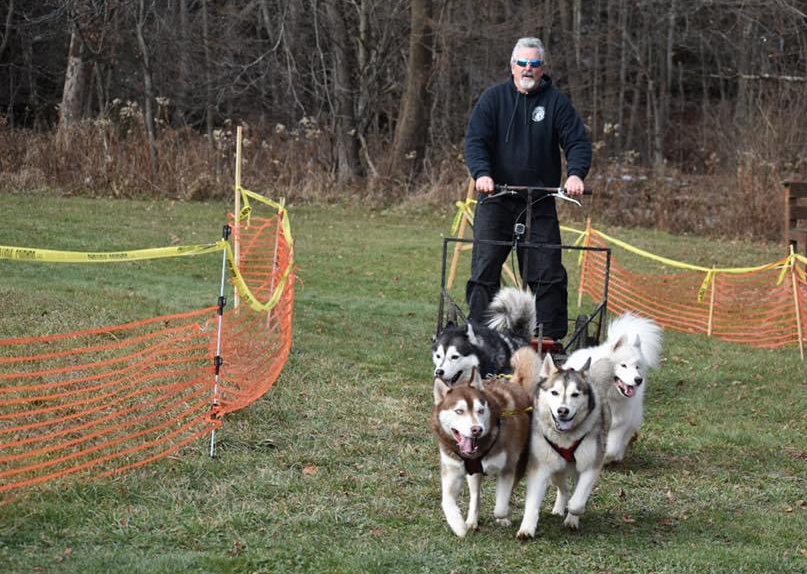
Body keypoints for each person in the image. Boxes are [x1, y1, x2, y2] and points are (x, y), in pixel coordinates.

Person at [464, 36, 592, 340]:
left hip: (539, 201)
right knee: (485, 269)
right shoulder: (493, 99)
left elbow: (577, 142)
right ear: (512, 66)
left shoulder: (556, 102)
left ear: (542, 68)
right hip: (496, 198)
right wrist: (482, 174)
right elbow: (476, 141)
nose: (528, 69)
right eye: (522, 63)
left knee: (547, 272)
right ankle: (480, 335)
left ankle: (548, 339)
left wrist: (575, 175)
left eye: (534, 64)